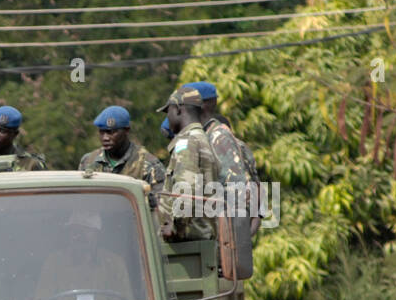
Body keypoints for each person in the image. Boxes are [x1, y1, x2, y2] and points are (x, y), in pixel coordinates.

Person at [189, 80, 260, 229]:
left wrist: (232, 237)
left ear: (202, 105)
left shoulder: (218, 137)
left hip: (227, 231)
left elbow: (236, 193)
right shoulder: (206, 136)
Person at [156, 85, 218, 241]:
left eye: (168, 111)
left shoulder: (187, 141)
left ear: (178, 109)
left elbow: (186, 187)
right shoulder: (202, 138)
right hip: (201, 238)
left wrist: (176, 227)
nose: (167, 118)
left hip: (187, 242)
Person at [78, 106, 165, 214]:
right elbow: (80, 201)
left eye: (111, 132)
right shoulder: (89, 161)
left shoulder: (148, 165)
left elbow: (160, 207)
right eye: (102, 132)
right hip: (95, 226)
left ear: (126, 130)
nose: (105, 138)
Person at [34, 211, 130, 300]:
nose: (79, 235)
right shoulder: (54, 262)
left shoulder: (114, 263)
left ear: (97, 234)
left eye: (86, 230)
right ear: (69, 234)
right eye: (75, 230)